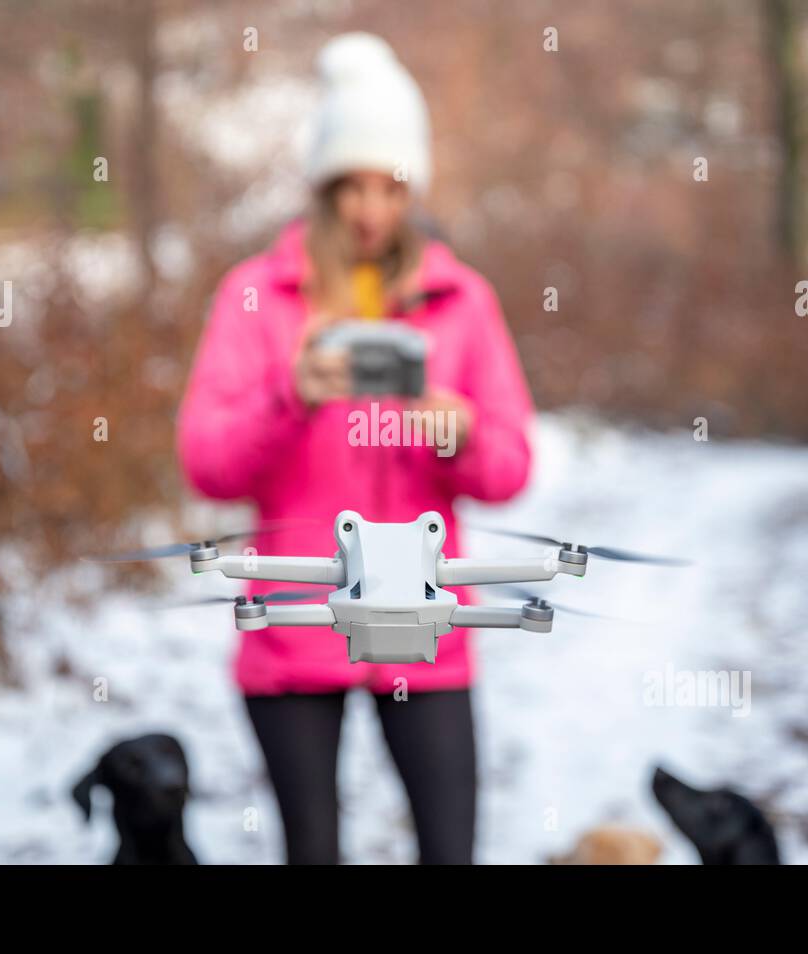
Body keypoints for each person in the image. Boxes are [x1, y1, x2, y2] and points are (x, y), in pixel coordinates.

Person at [176, 32, 534, 864]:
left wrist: (460, 434)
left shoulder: (463, 302)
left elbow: (513, 464)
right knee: (313, 853)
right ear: (322, 187)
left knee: (450, 850)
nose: (371, 208)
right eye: (351, 185)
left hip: (424, 625)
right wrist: (289, 398)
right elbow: (206, 460)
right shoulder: (256, 298)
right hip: (298, 625)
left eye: (391, 185)